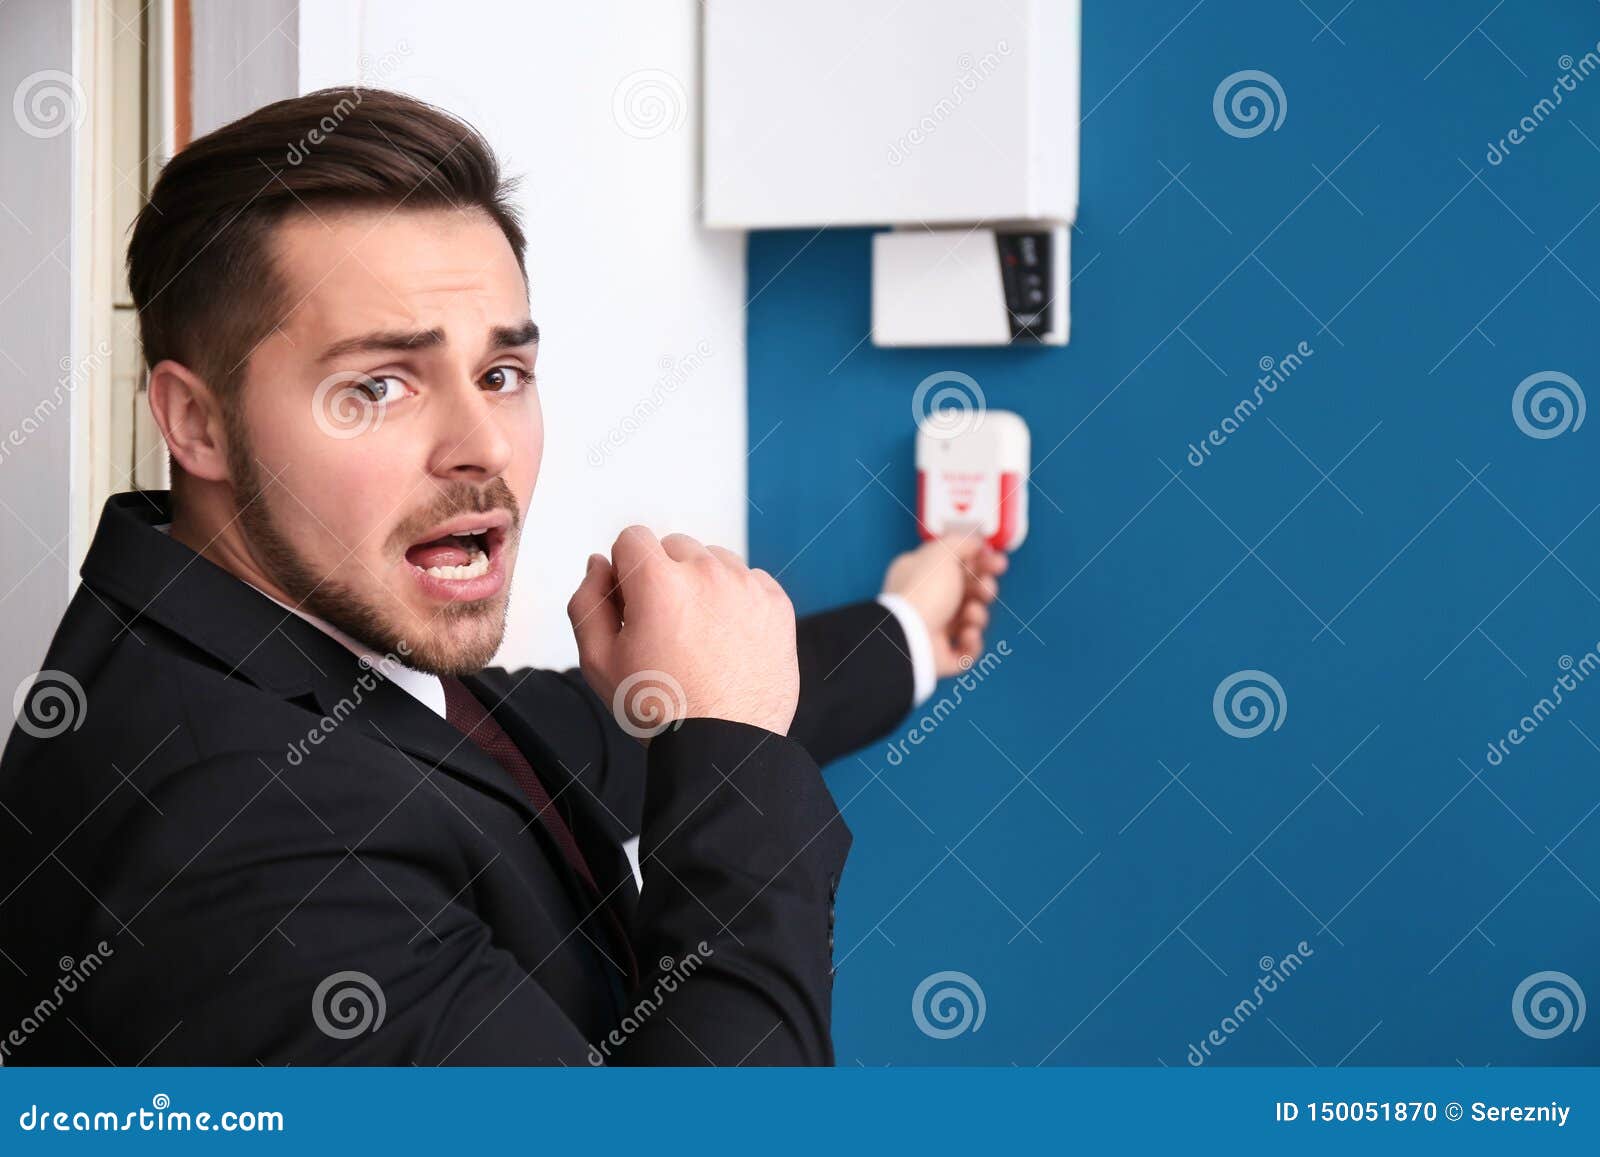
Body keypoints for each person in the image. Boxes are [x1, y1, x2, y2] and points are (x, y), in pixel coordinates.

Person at [0, 89, 1007, 1065]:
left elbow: (568, 742)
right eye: (380, 385)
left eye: (502, 374)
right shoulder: (246, 847)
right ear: (196, 423)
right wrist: (734, 754)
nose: (481, 446)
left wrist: (908, 626)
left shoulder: (266, 644)